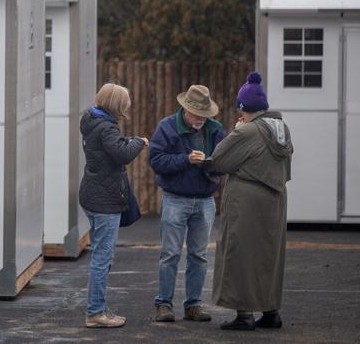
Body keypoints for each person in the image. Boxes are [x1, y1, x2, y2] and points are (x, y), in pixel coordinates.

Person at [206, 72, 293, 331]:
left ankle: (244, 315)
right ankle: (271, 312)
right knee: (269, 256)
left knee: (240, 254)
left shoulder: (249, 131)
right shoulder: (281, 129)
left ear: (245, 109)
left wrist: (237, 131)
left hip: (246, 201)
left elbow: (218, 160)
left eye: (240, 111)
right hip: (275, 200)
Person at [148, 85, 226, 323]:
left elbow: (223, 163)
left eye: (205, 115)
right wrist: (186, 159)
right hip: (175, 199)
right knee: (170, 254)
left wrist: (207, 163)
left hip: (205, 201)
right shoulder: (167, 127)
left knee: (199, 255)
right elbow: (156, 161)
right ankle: (164, 304)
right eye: (197, 115)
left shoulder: (216, 130)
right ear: (185, 109)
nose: (201, 120)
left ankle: (194, 304)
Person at [79, 82, 149, 328]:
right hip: (104, 199)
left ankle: (98, 308)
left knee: (101, 255)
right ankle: (96, 312)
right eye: (125, 104)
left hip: (92, 194)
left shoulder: (91, 120)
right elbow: (122, 155)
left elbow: (114, 148)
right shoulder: (106, 129)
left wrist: (128, 140)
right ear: (116, 105)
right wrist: (139, 142)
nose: (127, 107)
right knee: (102, 257)